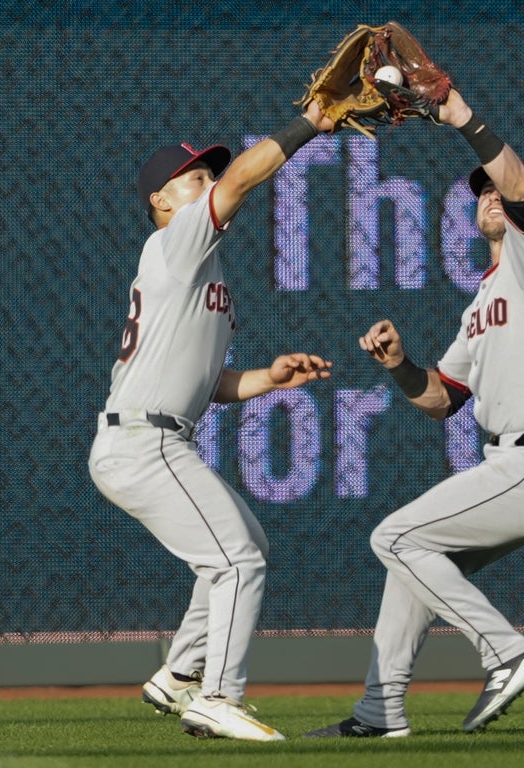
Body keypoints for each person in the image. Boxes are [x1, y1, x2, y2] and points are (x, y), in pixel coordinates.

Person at [305, 86, 524, 738]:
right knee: (414, 561)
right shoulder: (481, 301)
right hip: (523, 459)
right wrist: (398, 367)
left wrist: (461, 115)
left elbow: (518, 180)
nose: (489, 195)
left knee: (395, 537)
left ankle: (506, 652)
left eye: (497, 190)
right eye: (479, 193)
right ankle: (379, 711)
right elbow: (443, 400)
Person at [88, 100, 335, 742]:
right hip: (145, 440)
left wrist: (267, 379)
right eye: (192, 178)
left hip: (154, 435)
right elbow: (242, 181)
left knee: (245, 548)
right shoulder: (177, 240)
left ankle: (178, 676)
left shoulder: (201, 272)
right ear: (163, 202)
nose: (206, 183)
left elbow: (209, 384)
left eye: (206, 175)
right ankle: (217, 696)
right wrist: (308, 123)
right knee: (238, 562)